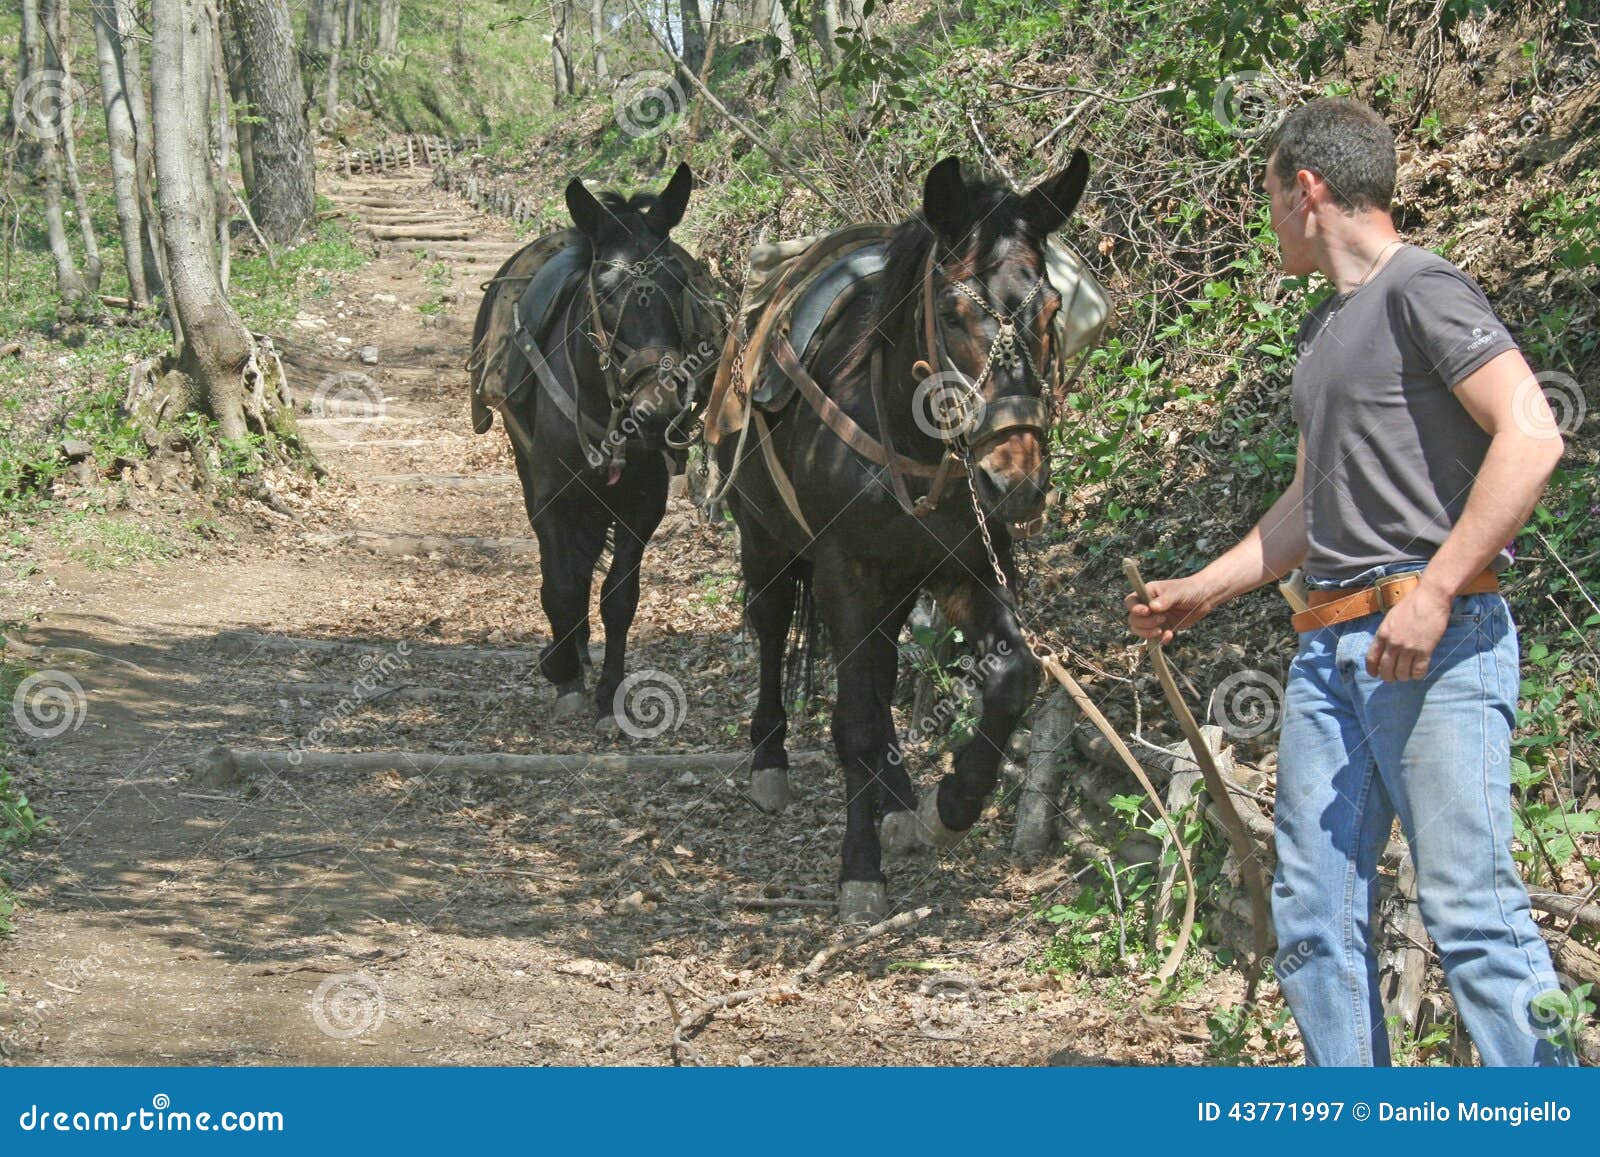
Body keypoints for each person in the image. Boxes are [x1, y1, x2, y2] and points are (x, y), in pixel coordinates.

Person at [1125, 97, 1574, 1066]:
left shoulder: (1423, 289)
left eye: (1269, 198)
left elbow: (1532, 431)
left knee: (1472, 915)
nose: (1267, 222)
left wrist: (1435, 589)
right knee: (1310, 915)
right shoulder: (1326, 334)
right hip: (1329, 654)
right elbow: (1305, 508)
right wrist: (1203, 587)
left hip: (1437, 647)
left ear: (1308, 188)